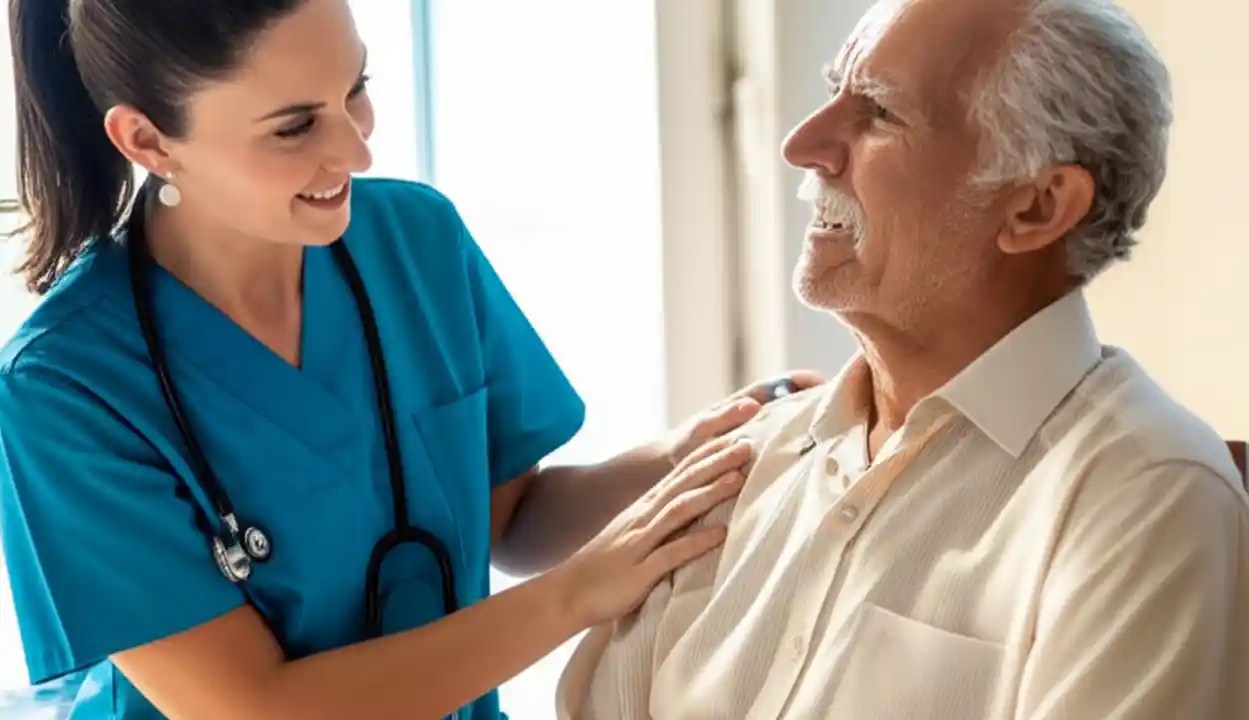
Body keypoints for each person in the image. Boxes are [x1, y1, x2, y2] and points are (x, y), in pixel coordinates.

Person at [0, 1, 821, 717]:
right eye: (294, 126)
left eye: (355, 90)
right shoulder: (65, 387)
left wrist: (689, 458)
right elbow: (257, 710)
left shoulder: (415, 243)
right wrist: (577, 596)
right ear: (147, 138)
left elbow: (513, 522)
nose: (354, 151)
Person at [558, 0, 1249, 718]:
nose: (803, 144)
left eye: (878, 113)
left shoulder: (1151, 501)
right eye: (831, 91)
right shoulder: (744, 466)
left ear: (1035, 207)